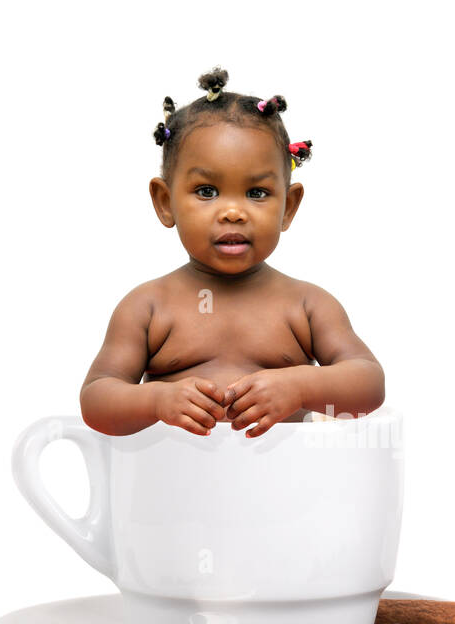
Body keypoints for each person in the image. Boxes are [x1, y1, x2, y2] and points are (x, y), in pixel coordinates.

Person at [80, 67, 385, 437]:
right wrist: (156, 399)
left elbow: (369, 385)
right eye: (206, 191)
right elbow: (97, 400)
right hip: (174, 491)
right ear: (165, 202)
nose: (233, 212)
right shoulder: (147, 307)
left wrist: (302, 386)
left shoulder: (308, 305)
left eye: (257, 193)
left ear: (288, 207)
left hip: (290, 488)